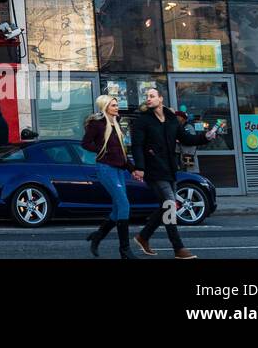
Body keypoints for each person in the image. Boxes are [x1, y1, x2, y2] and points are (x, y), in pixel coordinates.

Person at [129, 87, 217, 259]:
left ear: (161, 99)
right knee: (170, 204)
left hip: (169, 169)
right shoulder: (142, 121)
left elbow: (185, 139)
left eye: (152, 96)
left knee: (166, 206)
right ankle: (178, 248)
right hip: (153, 170)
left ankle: (143, 236)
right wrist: (139, 167)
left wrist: (205, 137)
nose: (149, 99)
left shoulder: (171, 119)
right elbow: (137, 146)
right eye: (147, 96)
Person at [81, 95, 135, 258]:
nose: (116, 107)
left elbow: (121, 153)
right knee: (125, 206)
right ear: (105, 107)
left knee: (118, 209)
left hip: (119, 170)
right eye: (113, 105)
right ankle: (125, 250)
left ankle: (98, 236)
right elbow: (85, 143)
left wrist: (132, 169)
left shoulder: (116, 123)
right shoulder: (97, 124)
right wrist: (102, 150)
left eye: (117, 105)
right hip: (106, 169)